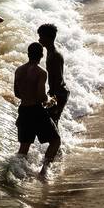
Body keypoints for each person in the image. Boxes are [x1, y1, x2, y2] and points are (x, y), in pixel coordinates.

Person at [13, 43, 60, 178]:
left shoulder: (19, 70)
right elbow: (41, 96)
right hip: (36, 111)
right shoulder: (41, 72)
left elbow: (17, 93)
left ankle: (16, 174)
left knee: (23, 148)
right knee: (55, 141)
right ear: (41, 55)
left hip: (23, 110)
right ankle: (44, 171)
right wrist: (50, 100)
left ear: (28, 54)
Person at [37, 23, 68, 123]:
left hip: (59, 93)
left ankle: (57, 139)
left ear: (48, 38)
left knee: (53, 121)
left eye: (41, 37)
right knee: (52, 121)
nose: (39, 39)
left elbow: (58, 78)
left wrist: (52, 97)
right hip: (57, 92)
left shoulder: (55, 55)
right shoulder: (50, 53)